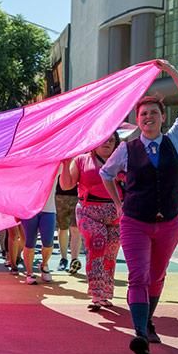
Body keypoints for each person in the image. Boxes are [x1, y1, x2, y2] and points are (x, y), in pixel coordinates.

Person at [100, 60, 178, 354]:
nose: (148, 118)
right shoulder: (126, 149)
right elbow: (106, 174)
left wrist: (170, 71)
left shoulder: (176, 139)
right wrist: (118, 203)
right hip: (134, 221)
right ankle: (140, 332)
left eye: (153, 113)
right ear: (138, 120)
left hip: (167, 222)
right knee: (138, 275)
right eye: (143, 114)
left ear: (162, 117)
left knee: (157, 275)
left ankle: (148, 321)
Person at [59, 130, 124, 310]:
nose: (108, 143)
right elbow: (66, 185)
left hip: (116, 214)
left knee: (110, 253)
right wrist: (65, 164)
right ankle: (96, 293)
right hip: (89, 212)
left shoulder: (122, 160)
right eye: (104, 139)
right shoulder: (81, 160)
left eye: (112, 140)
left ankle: (106, 292)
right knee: (97, 243)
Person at [20, 179, 58, 285]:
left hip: (49, 209)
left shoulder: (56, 163)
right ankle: (29, 272)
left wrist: (67, 163)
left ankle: (44, 265)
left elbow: (65, 183)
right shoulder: (27, 164)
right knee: (30, 241)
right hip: (29, 208)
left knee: (48, 242)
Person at [54, 174, 82, 273]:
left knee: (75, 228)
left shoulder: (79, 159)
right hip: (61, 194)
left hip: (78, 195)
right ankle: (64, 258)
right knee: (63, 228)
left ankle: (74, 259)